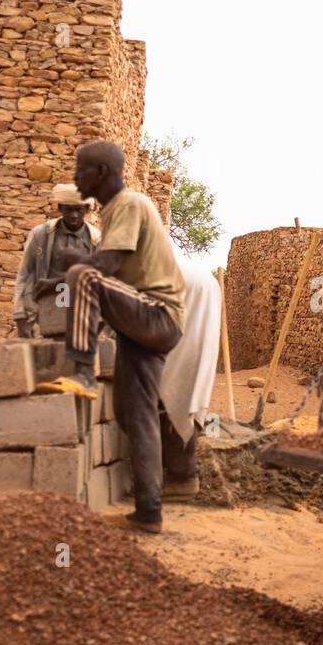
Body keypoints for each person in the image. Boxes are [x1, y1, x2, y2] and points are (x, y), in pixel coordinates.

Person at [44, 141, 185, 533]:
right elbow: (115, 279)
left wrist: (73, 264)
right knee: (134, 414)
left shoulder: (130, 203)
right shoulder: (113, 212)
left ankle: (83, 372)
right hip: (149, 325)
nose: (76, 177)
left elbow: (106, 267)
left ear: (102, 173)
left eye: (81, 170)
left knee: (81, 276)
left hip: (156, 313)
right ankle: (149, 512)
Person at [158, 256, 222, 499]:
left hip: (186, 300)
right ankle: (175, 471)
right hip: (199, 296)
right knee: (189, 389)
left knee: (176, 392)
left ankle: (182, 477)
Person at [13, 184, 101, 338]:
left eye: (79, 210)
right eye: (68, 209)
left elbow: (100, 280)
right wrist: (20, 316)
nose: (74, 215)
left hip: (81, 312)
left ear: (87, 210)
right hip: (44, 309)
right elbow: (24, 274)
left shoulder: (96, 240)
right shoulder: (41, 235)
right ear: (60, 208)